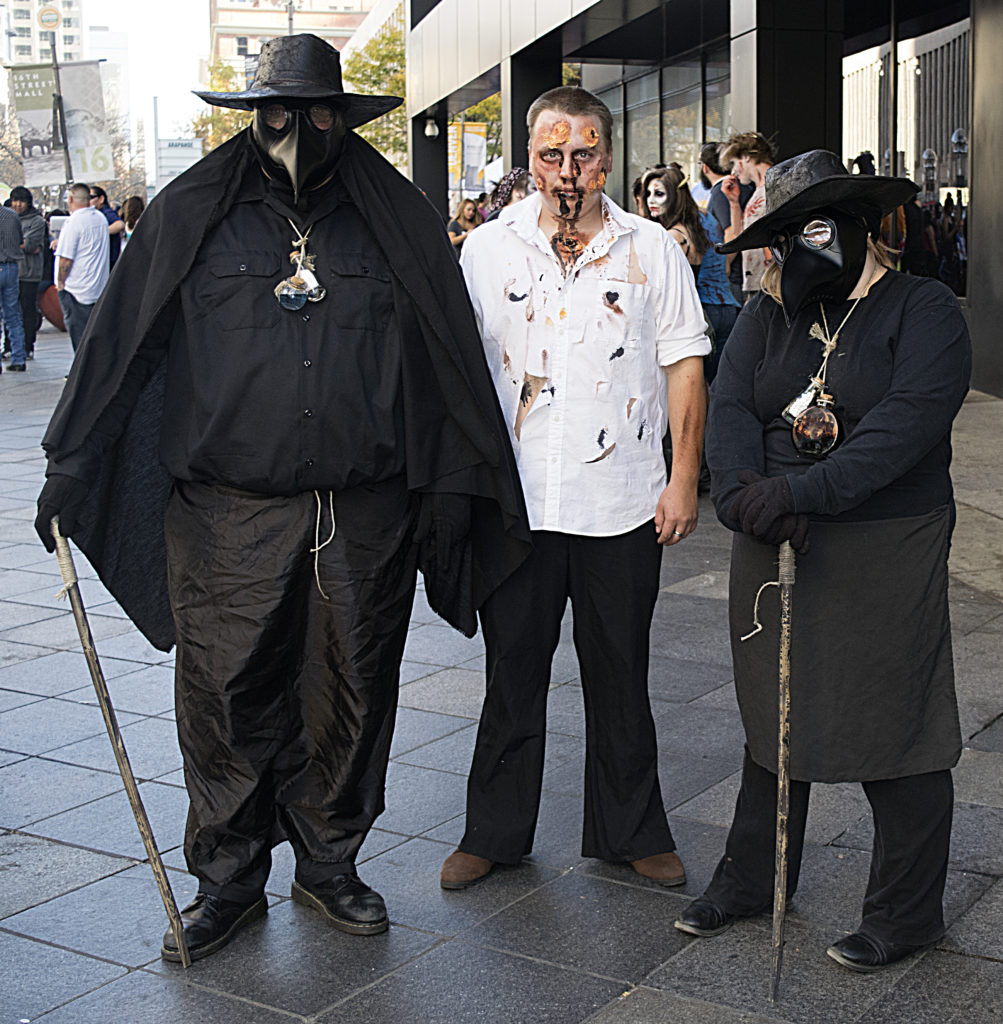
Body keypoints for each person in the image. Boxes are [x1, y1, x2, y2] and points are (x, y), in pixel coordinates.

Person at [35, 34, 529, 963]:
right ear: (247, 116)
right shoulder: (190, 215)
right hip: (227, 511)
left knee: (351, 685)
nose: (297, 130)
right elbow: (124, 350)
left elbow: (441, 367)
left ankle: (329, 862)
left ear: (344, 118)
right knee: (225, 693)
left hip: (363, 507)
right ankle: (226, 880)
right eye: (276, 112)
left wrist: (453, 490)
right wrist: (72, 462)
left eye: (317, 112)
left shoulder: (396, 220)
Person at [674, 149, 971, 974]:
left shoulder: (924, 310)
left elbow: (906, 424)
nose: (794, 254)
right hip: (772, 534)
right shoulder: (770, 318)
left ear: (855, 228)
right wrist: (741, 495)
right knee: (774, 710)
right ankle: (750, 876)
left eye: (812, 232)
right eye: (781, 239)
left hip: (884, 540)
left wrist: (808, 493)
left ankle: (906, 910)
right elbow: (733, 403)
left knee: (895, 719)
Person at [439, 86, 710, 891]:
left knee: (620, 674)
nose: (568, 171)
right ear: (530, 158)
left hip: (623, 501)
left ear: (606, 158)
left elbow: (684, 363)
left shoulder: (652, 249)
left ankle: (631, 831)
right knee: (510, 676)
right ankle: (492, 833)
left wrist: (686, 478)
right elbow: (457, 374)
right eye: (552, 155)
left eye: (584, 154)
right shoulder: (486, 250)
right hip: (516, 505)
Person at [641, 164, 741, 382]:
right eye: (647, 194)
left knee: (698, 387)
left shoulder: (671, 236)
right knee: (717, 384)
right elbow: (726, 256)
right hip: (727, 308)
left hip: (702, 313)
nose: (651, 201)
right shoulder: (706, 220)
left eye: (659, 194)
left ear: (675, 196)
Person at [719, 131, 775, 301]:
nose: (734, 171)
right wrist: (734, 203)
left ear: (747, 157)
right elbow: (740, 237)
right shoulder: (759, 190)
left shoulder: (775, 185)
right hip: (759, 284)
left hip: (770, 285)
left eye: (735, 163)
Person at [55, 183, 110, 353]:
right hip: (97, 287)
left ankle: (82, 374)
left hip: (76, 288)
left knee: (79, 338)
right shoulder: (100, 218)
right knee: (94, 336)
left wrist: (60, 281)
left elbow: (66, 259)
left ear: (70, 199)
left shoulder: (73, 222)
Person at [700, 141, 748, 305]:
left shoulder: (722, 192)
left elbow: (731, 232)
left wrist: (724, 266)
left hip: (734, 276)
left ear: (705, 168)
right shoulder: (740, 186)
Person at [8, 187, 45, 361]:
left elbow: (30, 244)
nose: (18, 204)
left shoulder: (37, 220)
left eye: (21, 201)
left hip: (29, 273)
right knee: (10, 311)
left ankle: (28, 346)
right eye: (15, 200)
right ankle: (9, 347)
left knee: (26, 310)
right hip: (10, 271)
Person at [0, 201, 26, 372]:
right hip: (10, 267)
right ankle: (19, 358)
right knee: (13, 315)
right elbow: (20, 241)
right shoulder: (12, 215)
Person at [88, 185, 125, 268]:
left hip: (109, 262)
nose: (87, 201)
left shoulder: (106, 213)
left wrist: (98, 232)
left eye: (90, 197)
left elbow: (119, 225)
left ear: (101, 199)